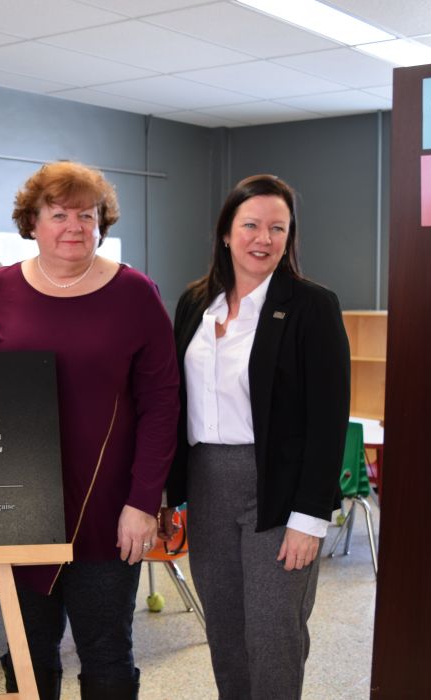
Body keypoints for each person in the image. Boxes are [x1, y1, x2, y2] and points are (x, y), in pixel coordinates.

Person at [0, 161, 179, 700]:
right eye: (59, 214)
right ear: (32, 223)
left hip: (109, 509)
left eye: (87, 215)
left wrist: (143, 502)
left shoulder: (136, 293)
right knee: (26, 651)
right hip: (19, 506)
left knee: (107, 652)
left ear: (102, 223)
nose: (74, 227)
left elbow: (162, 404)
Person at [165, 174, 350, 699]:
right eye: (250, 225)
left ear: (290, 237)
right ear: (226, 232)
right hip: (207, 484)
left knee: (273, 636)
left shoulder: (311, 305)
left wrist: (309, 520)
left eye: (277, 228)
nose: (263, 238)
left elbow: (328, 419)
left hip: (279, 490)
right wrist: (168, 491)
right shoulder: (195, 302)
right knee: (225, 633)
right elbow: (173, 400)